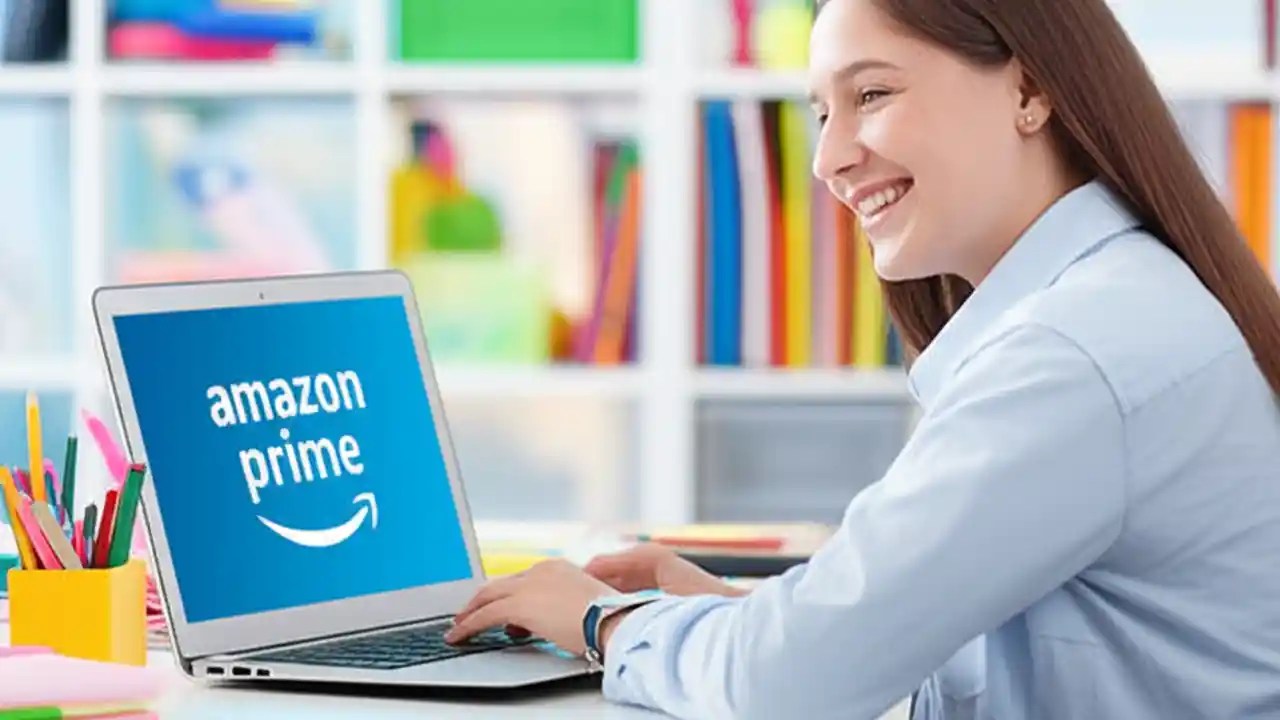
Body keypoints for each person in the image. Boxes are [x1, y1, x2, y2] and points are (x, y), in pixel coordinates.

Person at [445, 0, 1280, 717]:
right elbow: (977, 653)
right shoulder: (1119, 301)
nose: (828, 159)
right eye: (821, 114)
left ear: (1029, 91)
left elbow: (782, 691)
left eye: (871, 95)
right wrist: (754, 618)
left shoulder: (1072, 356)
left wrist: (605, 622)